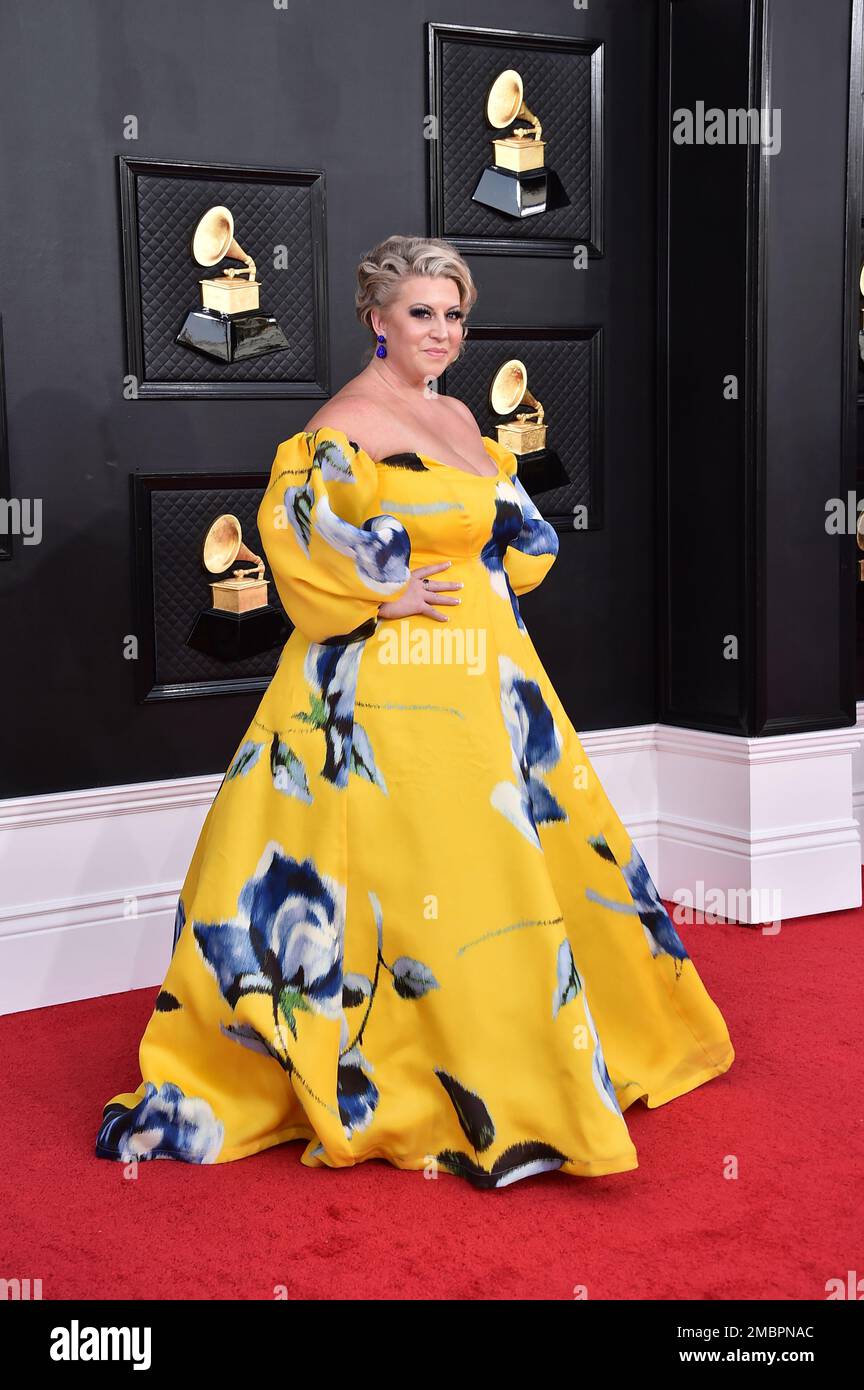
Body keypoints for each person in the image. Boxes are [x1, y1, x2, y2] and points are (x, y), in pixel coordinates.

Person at [95, 234, 734, 1188]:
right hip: (395, 683)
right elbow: (292, 527)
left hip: (487, 667)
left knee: (504, 856)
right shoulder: (350, 418)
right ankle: (425, 1075)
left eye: (454, 315)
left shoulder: (459, 413)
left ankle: (520, 1048)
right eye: (421, 313)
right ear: (377, 319)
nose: (441, 331)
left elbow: (512, 527)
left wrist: (482, 573)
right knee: (439, 866)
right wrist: (379, 595)